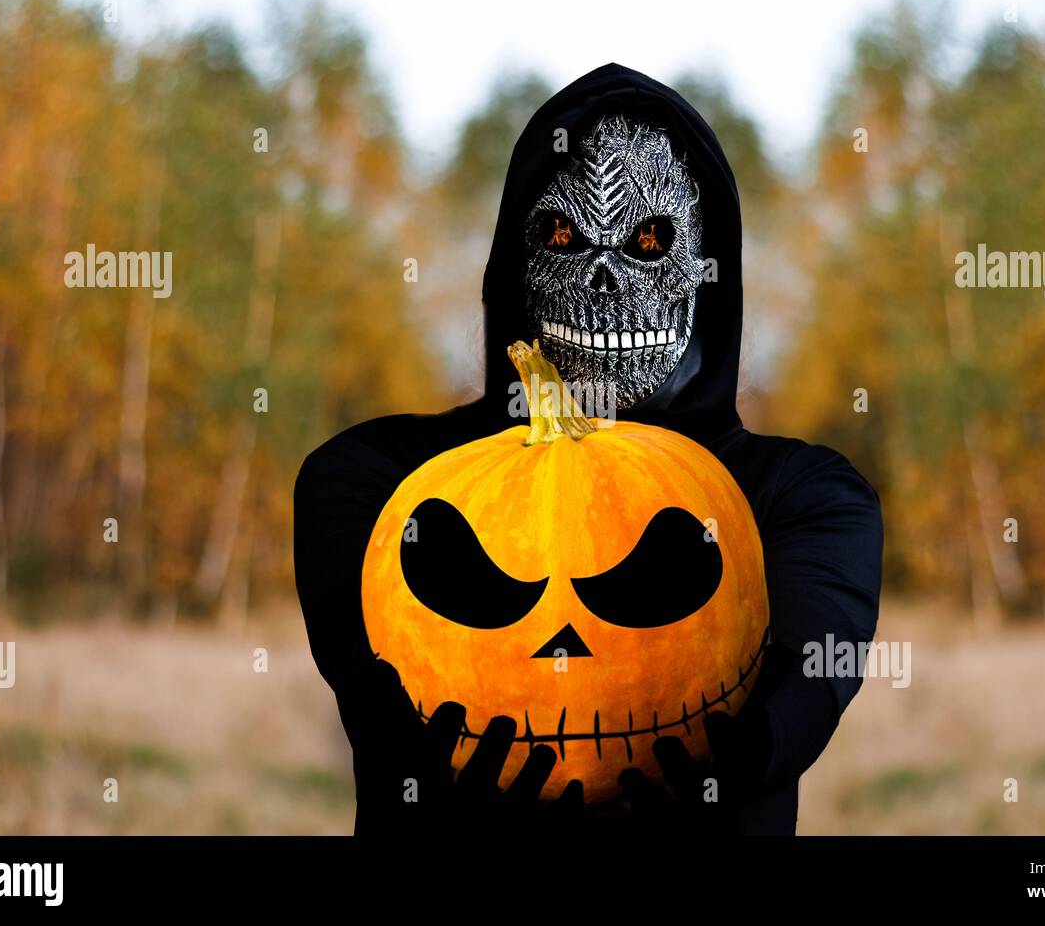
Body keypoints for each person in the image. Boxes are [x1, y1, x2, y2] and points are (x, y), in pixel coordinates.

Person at [294, 62, 883, 834]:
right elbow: (362, 651)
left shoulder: (796, 495)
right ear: (513, 262)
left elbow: (815, 660)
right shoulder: (380, 479)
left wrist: (759, 744)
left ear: (708, 269)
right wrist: (398, 749)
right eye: (564, 236)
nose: (603, 279)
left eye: (647, 239)